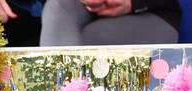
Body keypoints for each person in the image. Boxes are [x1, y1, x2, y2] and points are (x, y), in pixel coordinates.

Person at [41, 0, 178, 43]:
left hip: (152, 13)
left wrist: (133, 2)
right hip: (89, 9)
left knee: (91, 36)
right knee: (56, 7)